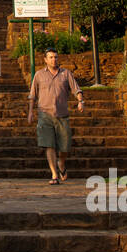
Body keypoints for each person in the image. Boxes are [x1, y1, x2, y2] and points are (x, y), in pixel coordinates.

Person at [26, 48, 84, 184]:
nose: (54, 60)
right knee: (49, 145)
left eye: (56, 57)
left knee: (65, 147)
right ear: (45, 60)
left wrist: (81, 101)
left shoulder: (66, 74)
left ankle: (61, 163)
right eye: (51, 57)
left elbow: (76, 89)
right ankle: (54, 175)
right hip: (44, 114)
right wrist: (30, 112)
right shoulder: (39, 75)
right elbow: (32, 95)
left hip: (62, 115)